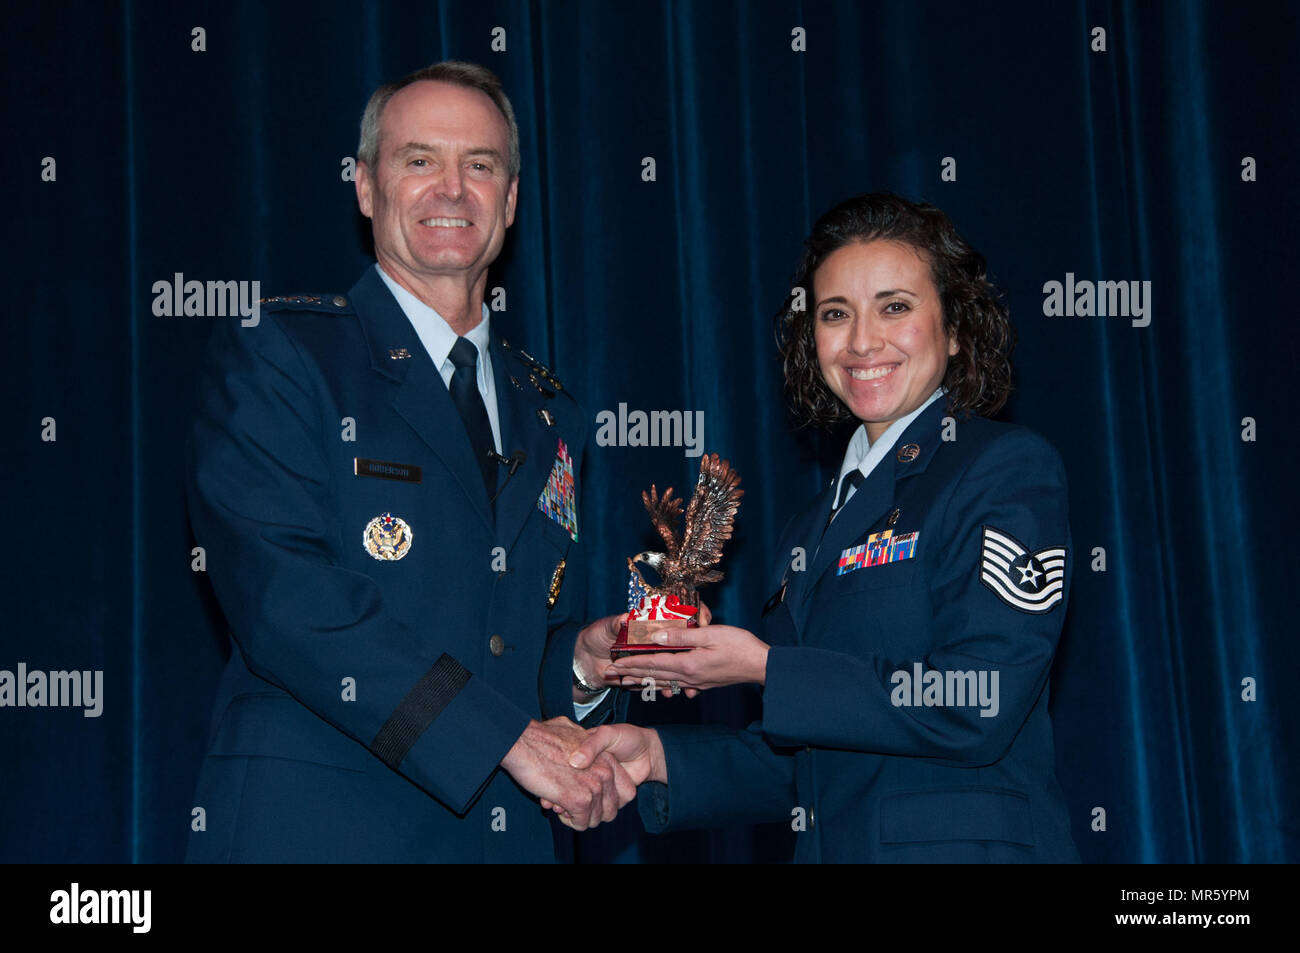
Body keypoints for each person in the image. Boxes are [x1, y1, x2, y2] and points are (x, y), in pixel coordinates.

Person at [184, 61, 634, 863]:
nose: (452, 189)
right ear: (365, 187)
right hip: (319, 830)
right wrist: (501, 737)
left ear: (513, 200)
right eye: (419, 160)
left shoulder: (550, 407)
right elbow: (286, 600)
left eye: (481, 165)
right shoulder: (283, 353)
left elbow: (508, 635)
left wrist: (582, 665)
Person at [574, 192, 1081, 862]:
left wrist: (765, 667)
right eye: (836, 314)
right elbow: (806, 759)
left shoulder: (1002, 467)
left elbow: (977, 701)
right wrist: (658, 756)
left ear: (956, 328)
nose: (863, 340)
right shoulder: (811, 526)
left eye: (895, 306)